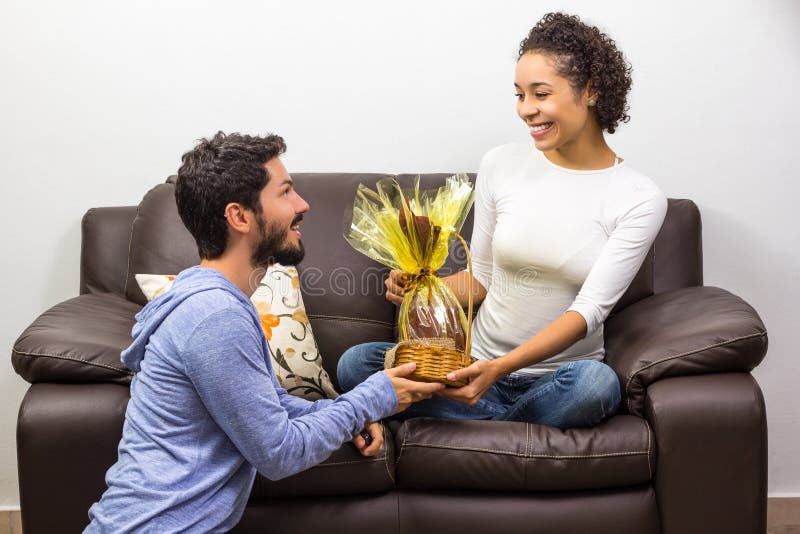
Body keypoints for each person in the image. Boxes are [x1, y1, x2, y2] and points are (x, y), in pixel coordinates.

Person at [85, 132, 444, 533]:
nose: (303, 204)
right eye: (286, 193)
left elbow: (270, 407)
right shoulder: (214, 316)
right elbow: (279, 452)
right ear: (240, 217)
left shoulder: (215, 300)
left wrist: (346, 414)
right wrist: (372, 398)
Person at [337, 12, 667, 429]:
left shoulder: (638, 197)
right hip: (471, 365)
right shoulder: (502, 164)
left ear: (591, 91)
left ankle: (476, 419)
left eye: (540, 94)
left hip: (557, 379)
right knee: (356, 364)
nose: (526, 110)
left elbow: (588, 312)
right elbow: (483, 279)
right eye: (519, 94)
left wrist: (499, 369)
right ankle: (512, 423)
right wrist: (423, 288)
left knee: (597, 386)